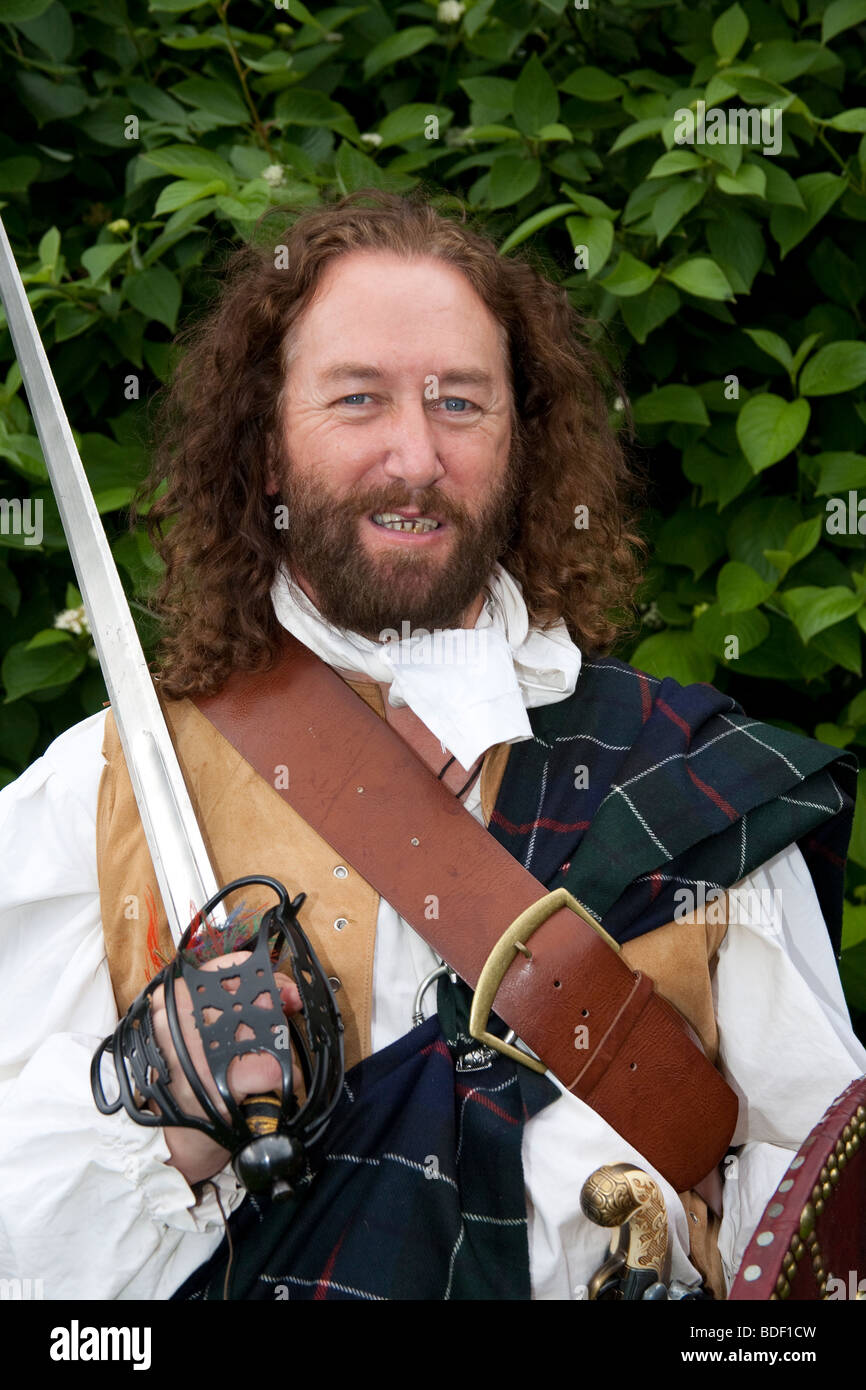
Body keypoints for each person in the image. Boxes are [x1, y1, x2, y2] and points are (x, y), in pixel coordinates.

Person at [0, 189, 863, 1302]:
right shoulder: (110, 787)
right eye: (357, 399)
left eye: (460, 403)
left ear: (521, 442)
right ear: (265, 448)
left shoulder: (683, 776)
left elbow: (817, 1232)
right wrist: (168, 1123)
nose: (414, 455)